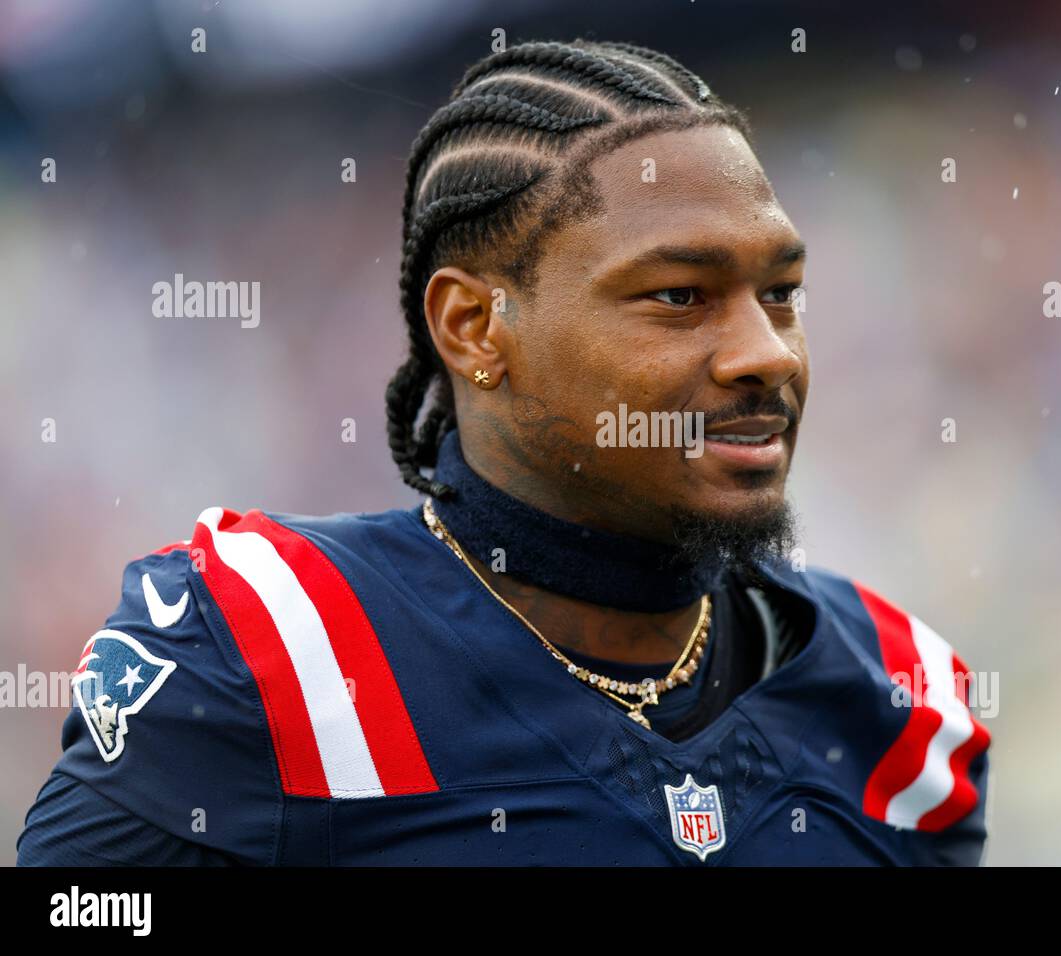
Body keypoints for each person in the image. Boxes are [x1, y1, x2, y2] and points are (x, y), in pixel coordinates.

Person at [18, 39, 990, 866]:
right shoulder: (277, 651)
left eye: (779, 293)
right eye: (677, 296)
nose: (764, 352)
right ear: (476, 327)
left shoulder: (897, 702)